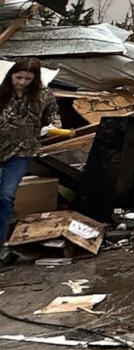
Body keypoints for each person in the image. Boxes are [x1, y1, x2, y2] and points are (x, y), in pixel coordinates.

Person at [0, 59, 58, 252]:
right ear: (11, 75)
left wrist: (51, 127)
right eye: (19, 77)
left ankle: (0, 243)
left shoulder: (43, 96)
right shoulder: (1, 91)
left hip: (23, 150)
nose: (22, 82)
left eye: (28, 79)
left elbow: (53, 117)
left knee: (6, 195)